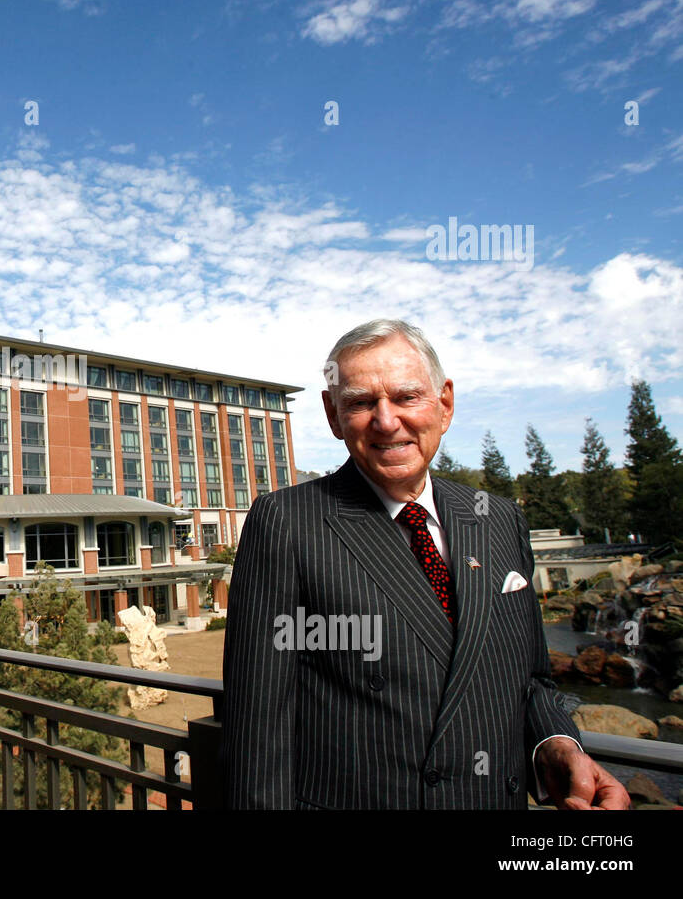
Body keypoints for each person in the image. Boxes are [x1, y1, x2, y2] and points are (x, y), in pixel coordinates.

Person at [219, 318, 629, 809]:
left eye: (406, 397)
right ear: (333, 415)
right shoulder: (286, 523)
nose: (386, 421)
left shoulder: (498, 518)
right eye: (361, 402)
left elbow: (530, 678)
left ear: (445, 403)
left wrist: (556, 744)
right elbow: (258, 724)